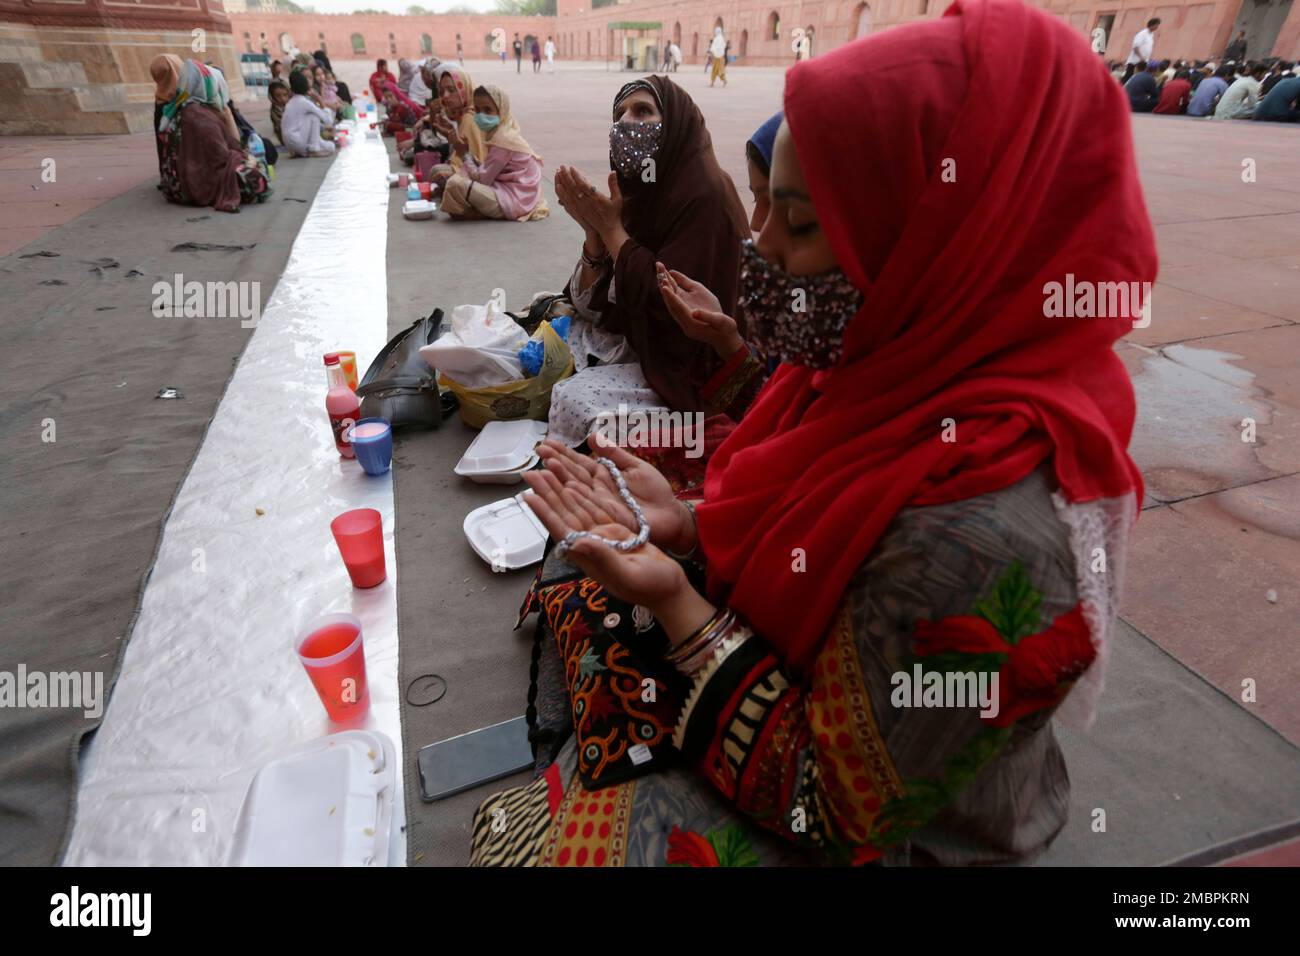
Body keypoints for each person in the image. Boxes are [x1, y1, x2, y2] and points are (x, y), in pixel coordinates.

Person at [473, 0, 1152, 869]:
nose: (760, 248)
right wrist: (686, 527)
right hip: (795, 698)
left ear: (935, 234)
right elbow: (780, 475)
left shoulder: (982, 533)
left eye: (797, 222)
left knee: (554, 847)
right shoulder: (883, 359)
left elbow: (826, 803)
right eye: (764, 211)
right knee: (583, 571)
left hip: (885, 830)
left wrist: (680, 601)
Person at [547, 75, 749, 446]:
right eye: (620, 114)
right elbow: (595, 306)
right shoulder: (639, 187)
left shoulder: (704, 194)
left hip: (692, 367)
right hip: (642, 346)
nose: (626, 123)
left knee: (574, 398)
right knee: (554, 330)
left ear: (675, 125)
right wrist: (595, 235)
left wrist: (611, 231)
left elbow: (670, 305)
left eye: (643, 112)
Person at [151, 54, 268, 212]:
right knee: (254, 173)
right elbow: (221, 157)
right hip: (197, 184)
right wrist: (246, 158)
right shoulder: (200, 116)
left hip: (179, 180)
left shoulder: (184, 106)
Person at [440, 84, 549, 222]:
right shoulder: (502, 132)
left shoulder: (502, 139)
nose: (481, 116)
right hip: (518, 193)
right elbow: (487, 169)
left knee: (454, 183)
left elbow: (483, 179)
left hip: (516, 200)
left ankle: (486, 213)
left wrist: (464, 154)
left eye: (488, 110)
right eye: (478, 110)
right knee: (457, 179)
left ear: (501, 110)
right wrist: (467, 154)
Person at [424, 64, 487, 189]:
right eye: (442, 92)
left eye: (451, 90)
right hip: (473, 170)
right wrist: (448, 134)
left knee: (438, 173)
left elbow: (475, 164)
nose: (445, 96)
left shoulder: (469, 118)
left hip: (481, 177)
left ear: (464, 89)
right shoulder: (461, 113)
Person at [282, 68, 336, 157]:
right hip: (297, 141)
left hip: (292, 143)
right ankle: (313, 149)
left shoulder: (292, 101)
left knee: (331, 147)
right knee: (313, 116)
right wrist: (319, 98)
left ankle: (310, 148)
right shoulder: (304, 102)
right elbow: (328, 120)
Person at [1123, 17, 1159, 83]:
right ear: (1152, 24)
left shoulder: (1151, 35)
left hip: (1143, 62)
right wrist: (1141, 57)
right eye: (1156, 24)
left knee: (1136, 79)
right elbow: (1135, 46)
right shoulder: (1142, 34)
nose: (1157, 27)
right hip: (1135, 61)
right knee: (1128, 77)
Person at [268, 79, 289, 145]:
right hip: (285, 138)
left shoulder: (292, 104)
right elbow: (280, 126)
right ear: (272, 97)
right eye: (278, 96)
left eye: (285, 95)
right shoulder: (274, 110)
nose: (282, 98)